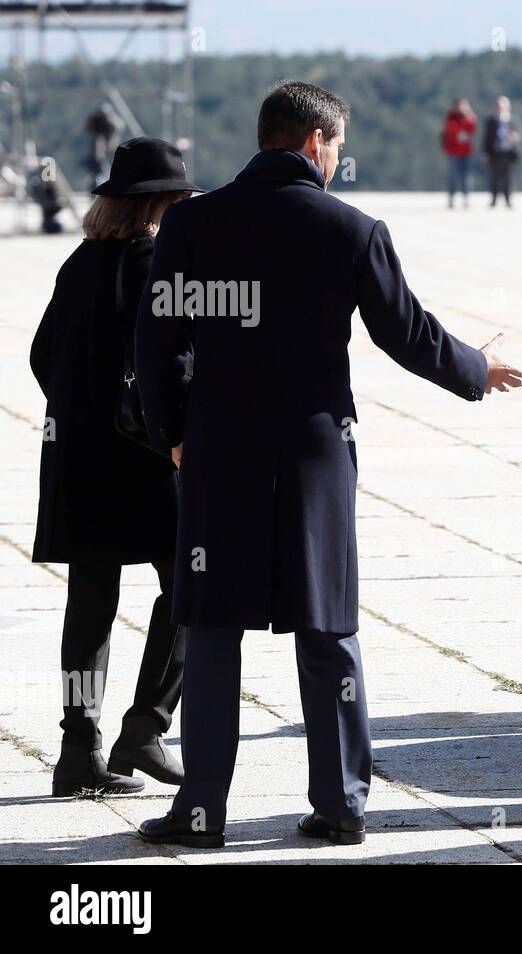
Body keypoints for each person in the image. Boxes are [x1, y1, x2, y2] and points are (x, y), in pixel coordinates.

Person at [133, 81, 522, 849]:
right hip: (315, 452)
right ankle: (341, 802)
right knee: (328, 625)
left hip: (218, 450)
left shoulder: (192, 222)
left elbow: (156, 342)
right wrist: (476, 368)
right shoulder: (352, 228)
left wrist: (173, 431)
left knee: (212, 627)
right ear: (316, 143)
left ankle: (202, 811)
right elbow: (407, 333)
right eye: (337, 147)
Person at [30, 137, 196, 798]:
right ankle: (147, 726)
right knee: (192, 584)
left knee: (90, 602)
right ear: (159, 203)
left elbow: (43, 354)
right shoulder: (154, 262)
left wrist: (84, 410)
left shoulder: (80, 262)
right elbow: (170, 362)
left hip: (78, 462)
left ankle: (78, 750)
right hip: (147, 463)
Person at [482, 96, 519, 208]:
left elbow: (517, 134)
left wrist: (514, 137)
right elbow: (487, 139)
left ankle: (508, 199)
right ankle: (493, 200)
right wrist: (485, 154)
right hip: (495, 152)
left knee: (507, 177)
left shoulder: (511, 120)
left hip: (507, 152)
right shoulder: (492, 121)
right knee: (494, 177)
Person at [442, 97, 476, 209]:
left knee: (466, 177)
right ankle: (451, 198)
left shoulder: (469, 117)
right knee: (453, 176)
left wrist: (467, 115)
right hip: (453, 151)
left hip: (466, 152)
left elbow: (472, 128)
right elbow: (451, 130)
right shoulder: (451, 116)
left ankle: (466, 197)